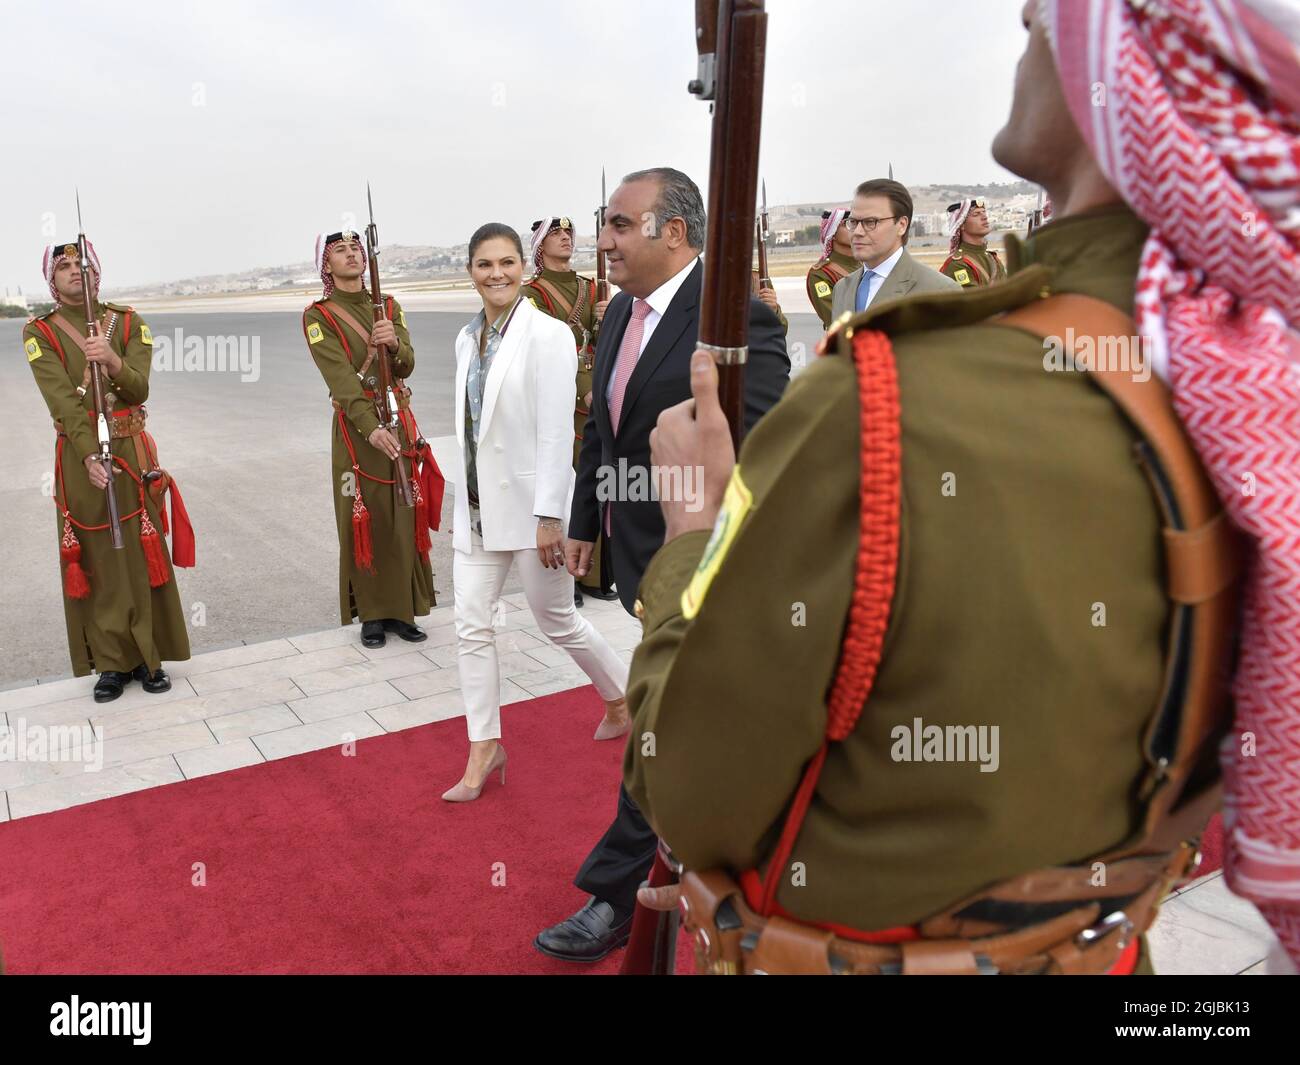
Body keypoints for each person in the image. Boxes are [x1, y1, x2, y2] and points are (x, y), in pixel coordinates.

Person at [621, 0, 1299, 973]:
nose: (1028, 14)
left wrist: (693, 530)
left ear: (1117, 82)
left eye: (1049, 16)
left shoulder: (889, 401)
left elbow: (685, 788)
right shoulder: (1247, 395)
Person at [532, 166, 790, 962]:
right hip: (645, 563)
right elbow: (598, 429)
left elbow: (761, 453)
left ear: (672, 232)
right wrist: (586, 520)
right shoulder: (618, 316)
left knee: (659, 733)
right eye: (601, 224)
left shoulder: (736, 316)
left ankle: (620, 897)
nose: (600, 239)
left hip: (713, 572)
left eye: (617, 224)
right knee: (682, 733)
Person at [444, 223, 631, 802]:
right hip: (477, 513)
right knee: (470, 627)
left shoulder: (548, 334)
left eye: (506, 263)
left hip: (531, 512)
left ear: (523, 267)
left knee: (558, 622)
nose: (496, 274)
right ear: (470, 271)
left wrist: (553, 515)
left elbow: (557, 433)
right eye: (484, 264)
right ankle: (484, 745)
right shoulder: (463, 339)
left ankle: (624, 700)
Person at [24, 241, 193, 702]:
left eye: (83, 264)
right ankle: (112, 664)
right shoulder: (39, 333)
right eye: (64, 266)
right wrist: (86, 455)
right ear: (52, 280)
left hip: (132, 450)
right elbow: (61, 400)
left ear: (98, 273)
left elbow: (138, 388)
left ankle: (150, 656)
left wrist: (113, 360)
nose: (75, 271)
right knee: (96, 555)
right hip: (81, 459)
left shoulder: (129, 322)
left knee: (143, 551)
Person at [303, 230, 442, 650]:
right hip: (357, 430)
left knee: (403, 514)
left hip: (399, 419)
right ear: (327, 265)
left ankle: (404, 609)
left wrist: (394, 342)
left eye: (356, 248)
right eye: (340, 251)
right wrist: (371, 428)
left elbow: (408, 364)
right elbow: (341, 381)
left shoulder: (390, 305)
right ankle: (373, 615)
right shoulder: (319, 316)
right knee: (363, 517)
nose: (351, 255)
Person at [522, 216, 617, 607]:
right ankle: (569, 579)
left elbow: (601, 344)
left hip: (596, 392)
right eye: (555, 234)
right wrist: (584, 391)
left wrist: (605, 320)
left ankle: (596, 575)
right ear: (540, 245)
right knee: (567, 488)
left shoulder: (592, 286)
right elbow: (547, 348)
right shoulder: (532, 294)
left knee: (600, 482)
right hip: (562, 396)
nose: (565, 238)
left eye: (568, 233)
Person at [828, 178, 959, 320]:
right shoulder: (842, 289)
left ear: (901, 225)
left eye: (871, 222)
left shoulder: (940, 292)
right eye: (853, 222)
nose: (858, 232)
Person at [939, 199, 1007, 287]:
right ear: (962, 224)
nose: (984, 217)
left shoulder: (993, 259)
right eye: (976, 214)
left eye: (984, 212)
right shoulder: (958, 264)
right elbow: (974, 299)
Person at [806, 208, 854, 327]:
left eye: (855, 223)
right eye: (847, 224)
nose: (854, 229)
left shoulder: (869, 264)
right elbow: (835, 319)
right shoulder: (821, 274)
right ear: (832, 233)